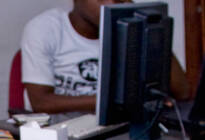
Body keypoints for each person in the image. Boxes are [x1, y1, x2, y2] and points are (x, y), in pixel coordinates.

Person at [21, 0, 190, 115]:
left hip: (115, 133)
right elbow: (41, 102)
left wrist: (152, 30)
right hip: (62, 134)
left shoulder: (128, 28)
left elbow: (182, 92)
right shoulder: (44, 28)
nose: (111, 4)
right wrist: (118, 101)